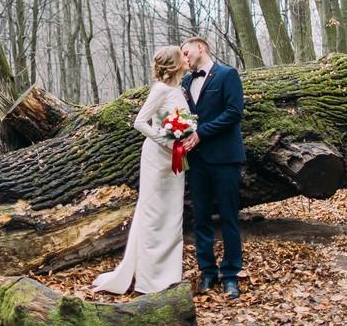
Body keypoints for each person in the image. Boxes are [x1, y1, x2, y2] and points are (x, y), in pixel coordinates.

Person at [92, 45, 190, 294]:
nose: (187, 59)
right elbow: (140, 122)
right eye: (183, 56)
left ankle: (167, 274)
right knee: (154, 215)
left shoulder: (179, 89)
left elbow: (181, 121)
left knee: (171, 215)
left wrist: (183, 138)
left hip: (174, 160)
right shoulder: (159, 89)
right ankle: (148, 280)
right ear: (175, 63)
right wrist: (166, 140)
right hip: (157, 158)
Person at [179, 36, 245, 300]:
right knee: (201, 217)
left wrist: (201, 133)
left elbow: (234, 112)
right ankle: (207, 270)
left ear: (200, 48)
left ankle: (231, 275)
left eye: (186, 53)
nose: (184, 59)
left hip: (225, 158)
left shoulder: (227, 75)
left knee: (229, 217)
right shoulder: (185, 82)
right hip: (196, 161)